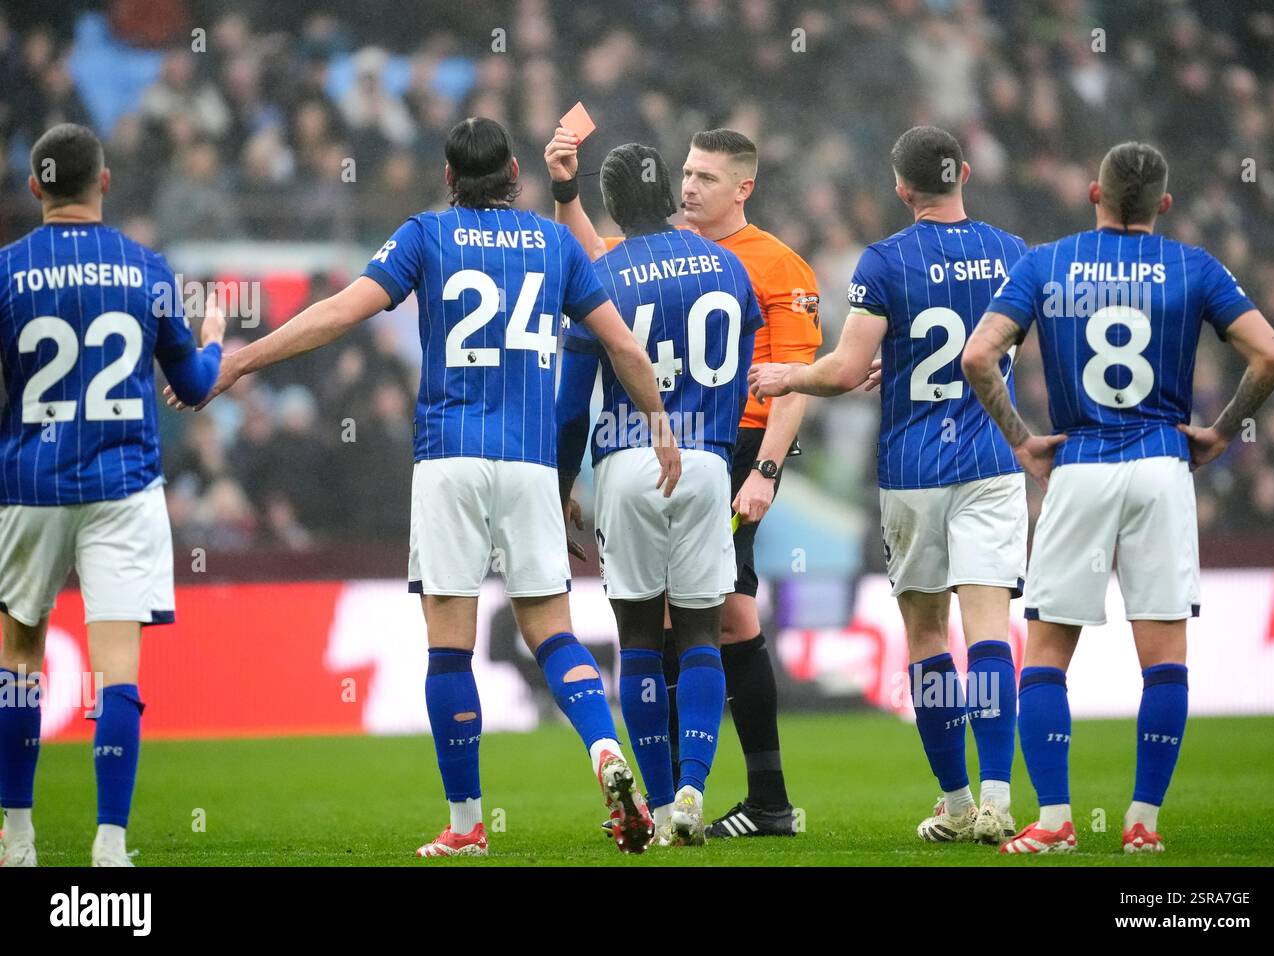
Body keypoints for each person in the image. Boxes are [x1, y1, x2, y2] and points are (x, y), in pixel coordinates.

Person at [175, 117, 682, 857]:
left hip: (449, 458)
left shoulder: (425, 235)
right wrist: (659, 423)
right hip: (532, 463)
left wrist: (241, 363)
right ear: (515, 171)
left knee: (449, 650)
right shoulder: (555, 241)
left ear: (448, 178)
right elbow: (623, 344)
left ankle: (468, 824)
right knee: (554, 633)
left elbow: (338, 313)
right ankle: (605, 754)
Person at [963, 141, 1274, 853]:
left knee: (1047, 652)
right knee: (1165, 656)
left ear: (1093, 193)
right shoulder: (1194, 266)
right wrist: (1220, 433)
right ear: (1164, 206)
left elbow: (978, 355)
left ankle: (1054, 823)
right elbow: (1272, 356)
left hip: (1078, 464)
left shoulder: (1045, 262)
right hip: (1162, 467)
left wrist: (1022, 439)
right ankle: (1143, 823)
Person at [749, 127, 1028, 844]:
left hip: (913, 472)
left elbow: (843, 371)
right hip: (993, 463)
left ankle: (957, 801)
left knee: (928, 633)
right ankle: (999, 799)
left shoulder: (885, 261)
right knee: (989, 629)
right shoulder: (1012, 253)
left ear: (901, 188)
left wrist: (789, 375)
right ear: (964, 172)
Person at [548, 126, 820, 838]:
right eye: (688, 177)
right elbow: (750, 371)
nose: (696, 186)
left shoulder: (604, 274)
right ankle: (698, 793)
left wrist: (560, 484)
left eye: (709, 176)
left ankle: (670, 804)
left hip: (632, 458)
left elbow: (573, 401)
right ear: (671, 191)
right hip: (708, 456)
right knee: (701, 630)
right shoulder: (729, 270)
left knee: (643, 637)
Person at [0, 123, 225, 867]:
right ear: (105, 183)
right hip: (123, 487)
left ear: (35, 188)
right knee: (116, 672)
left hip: (28, 485)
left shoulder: (6, 272)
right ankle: (110, 844)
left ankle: (20, 840)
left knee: (19, 664)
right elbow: (192, 388)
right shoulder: (147, 269)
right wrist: (216, 338)